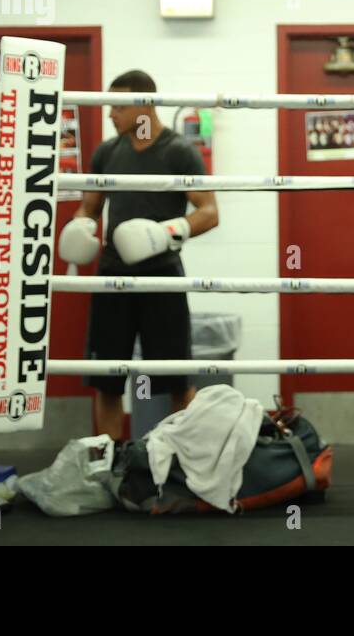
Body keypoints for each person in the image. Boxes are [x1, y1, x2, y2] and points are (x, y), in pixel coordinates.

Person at [60, 69, 219, 441]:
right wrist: (80, 225)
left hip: (162, 275)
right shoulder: (107, 152)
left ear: (145, 106)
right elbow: (90, 207)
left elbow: (209, 212)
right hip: (113, 275)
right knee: (108, 380)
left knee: (176, 379)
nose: (110, 113)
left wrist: (165, 233)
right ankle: (111, 466)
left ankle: (182, 463)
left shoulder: (178, 151)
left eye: (117, 106)